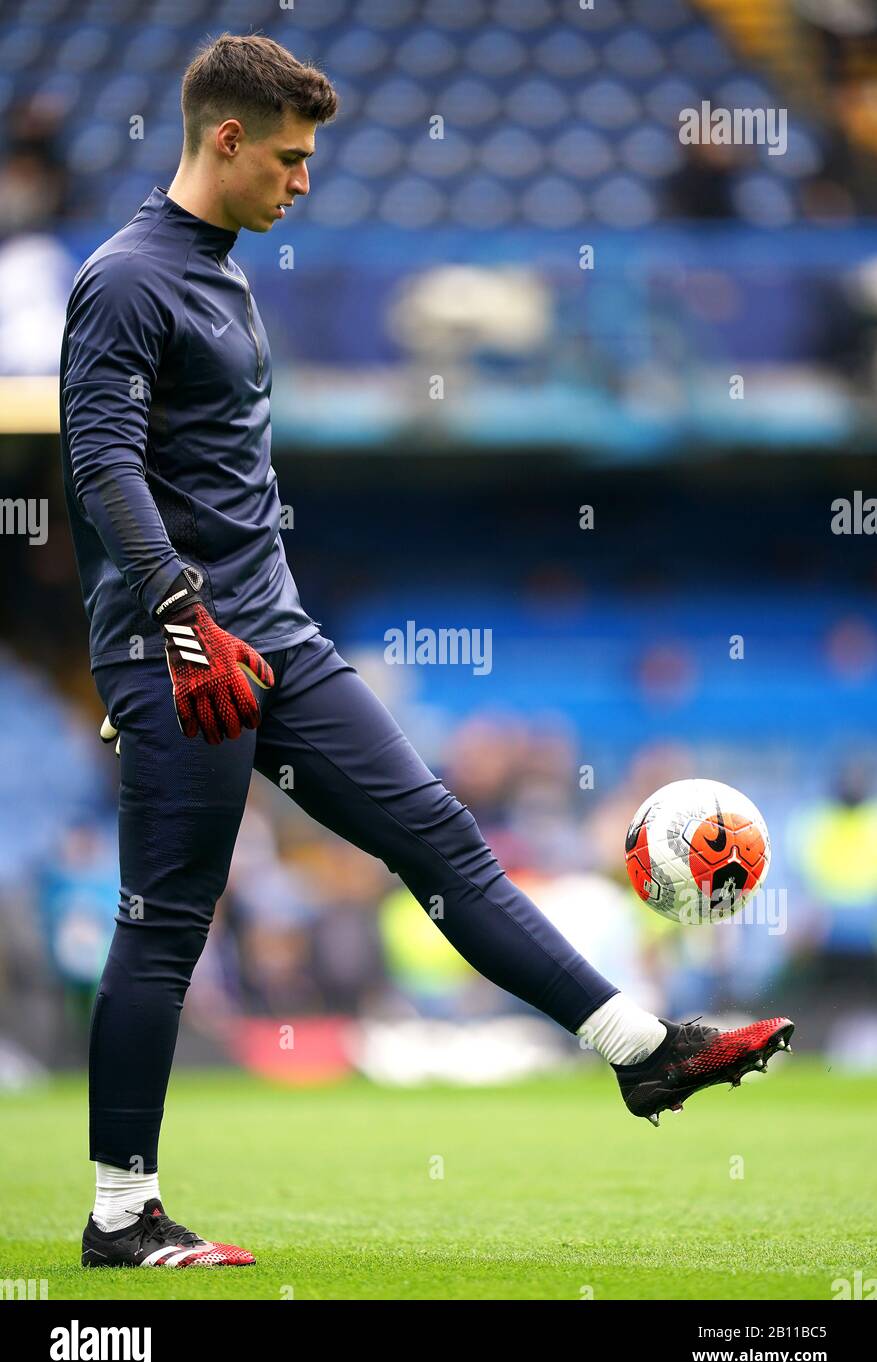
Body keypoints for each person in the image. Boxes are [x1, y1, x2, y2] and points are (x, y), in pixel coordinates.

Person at [60, 33, 795, 1271]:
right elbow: (99, 468)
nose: (304, 184)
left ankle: (641, 1050)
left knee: (441, 838)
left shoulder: (223, 275)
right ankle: (120, 1216)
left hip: (274, 638)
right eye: (289, 159)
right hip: (181, 646)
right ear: (224, 137)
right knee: (165, 922)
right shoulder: (128, 279)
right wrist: (180, 614)